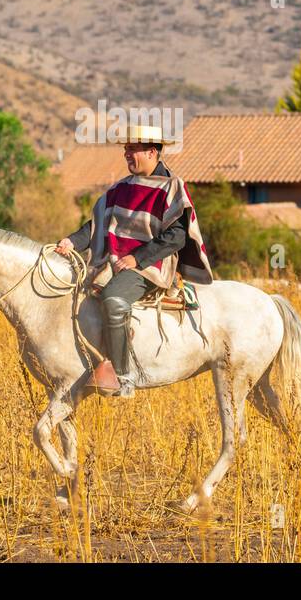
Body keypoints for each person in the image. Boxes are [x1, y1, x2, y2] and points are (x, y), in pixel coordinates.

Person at [55, 123, 212, 396]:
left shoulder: (172, 187)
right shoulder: (120, 188)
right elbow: (96, 227)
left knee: (114, 299)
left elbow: (176, 237)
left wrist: (136, 259)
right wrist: (71, 242)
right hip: (114, 262)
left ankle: (124, 377)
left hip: (151, 267)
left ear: (152, 152)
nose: (127, 154)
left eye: (133, 149)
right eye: (126, 149)